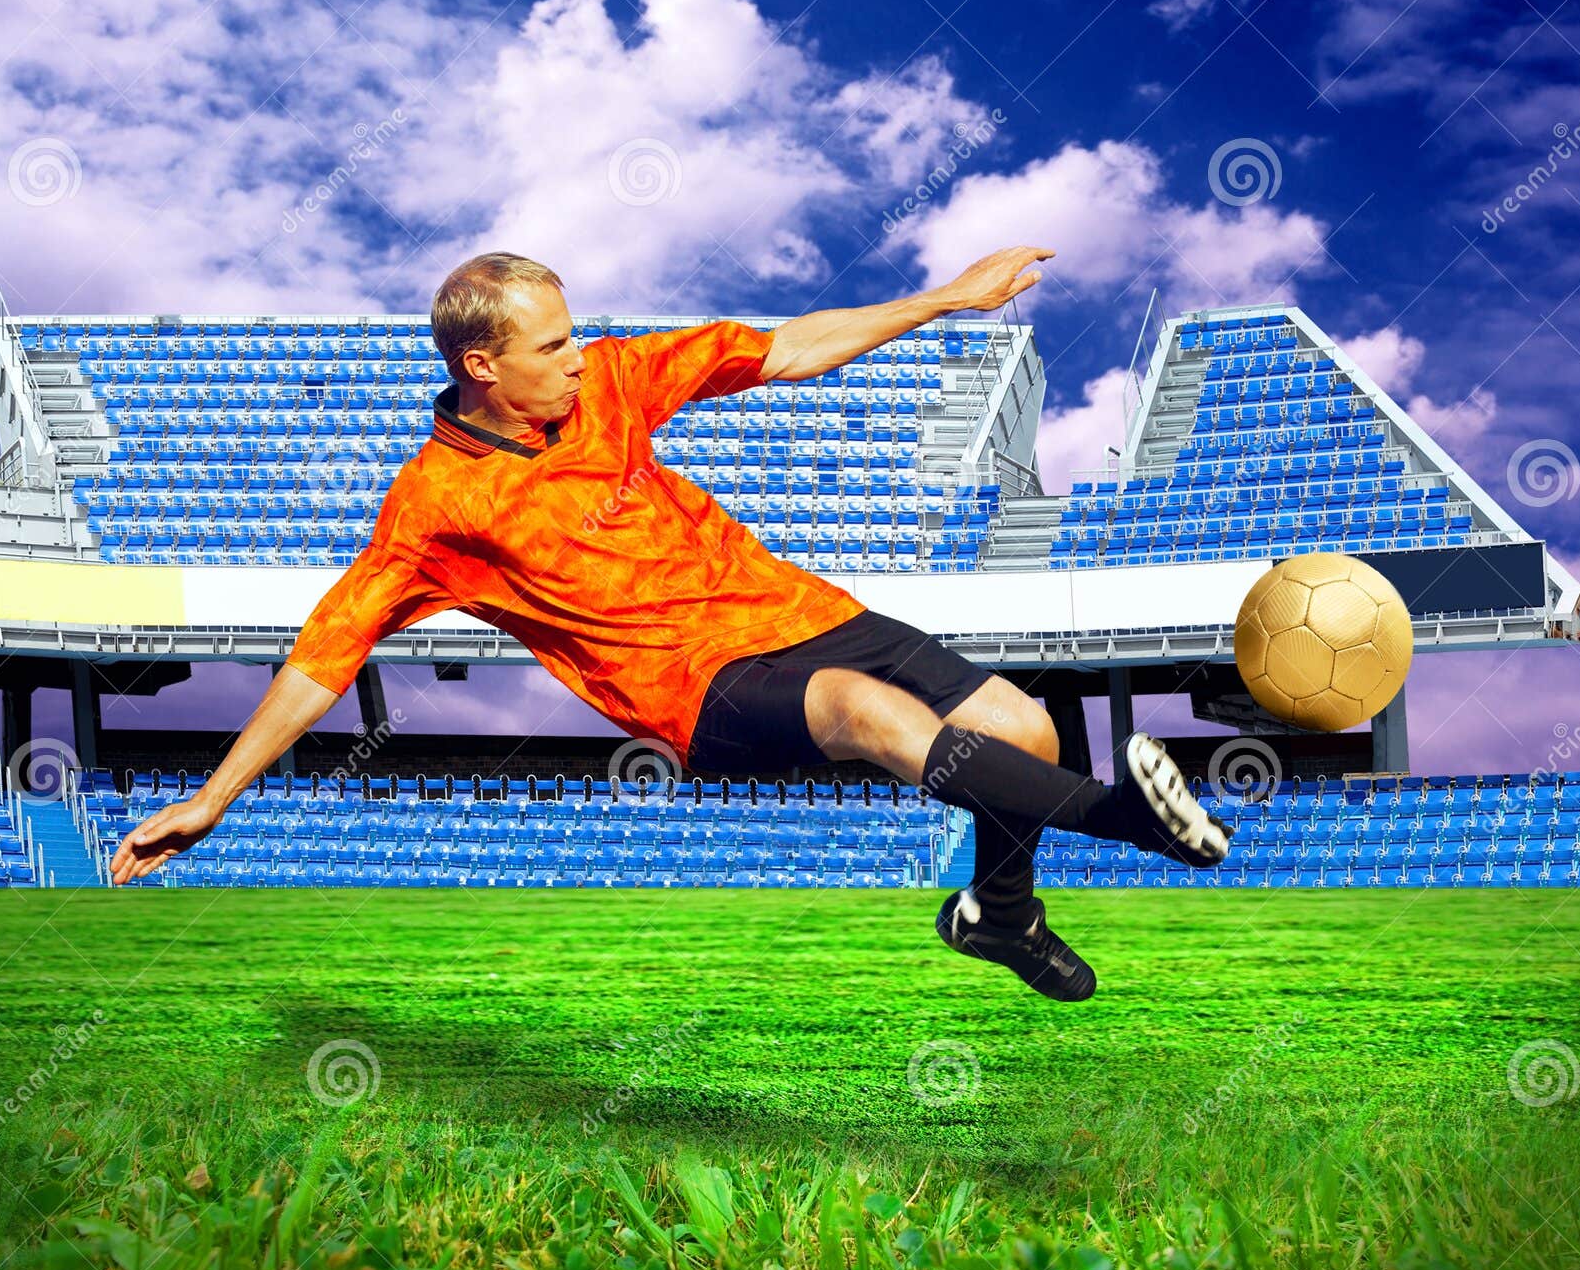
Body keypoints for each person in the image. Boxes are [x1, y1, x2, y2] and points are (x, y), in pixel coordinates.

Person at [109, 246, 1232, 999]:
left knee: (1022, 729)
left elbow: (782, 346)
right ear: (482, 366)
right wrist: (212, 798)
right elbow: (322, 661)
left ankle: (997, 915)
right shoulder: (433, 512)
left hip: (797, 607)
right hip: (693, 687)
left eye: (574, 334)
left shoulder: (610, 383)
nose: (577, 356)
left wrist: (943, 298)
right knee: (865, 714)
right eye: (550, 347)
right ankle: (1130, 821)